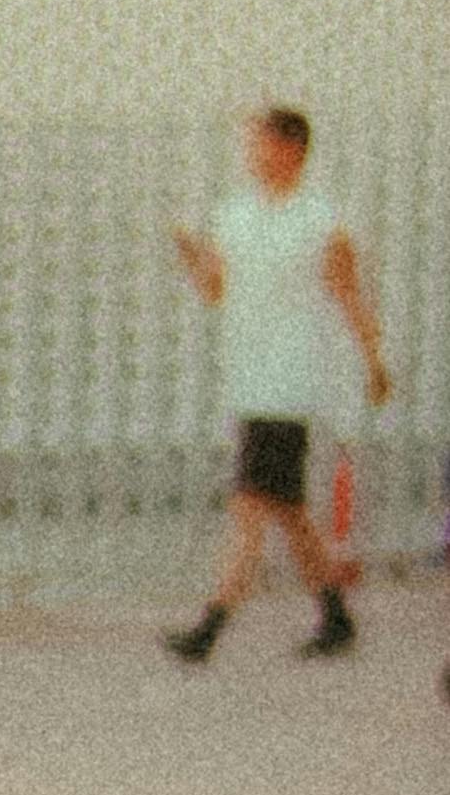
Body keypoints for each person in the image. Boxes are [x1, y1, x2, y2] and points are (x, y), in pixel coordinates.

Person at [165, 107, 390, 662]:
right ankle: (336, 617)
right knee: (287, 508)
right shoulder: (233, 213)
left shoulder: (321, 219)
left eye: (259, 144)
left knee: (249, 503)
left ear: (291, 149)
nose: (249, 154)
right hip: (248, 374)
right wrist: (193, 256)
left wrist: (373, 359)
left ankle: (211, 627)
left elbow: (348, 292)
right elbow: (215, 290)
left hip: (290, 378)